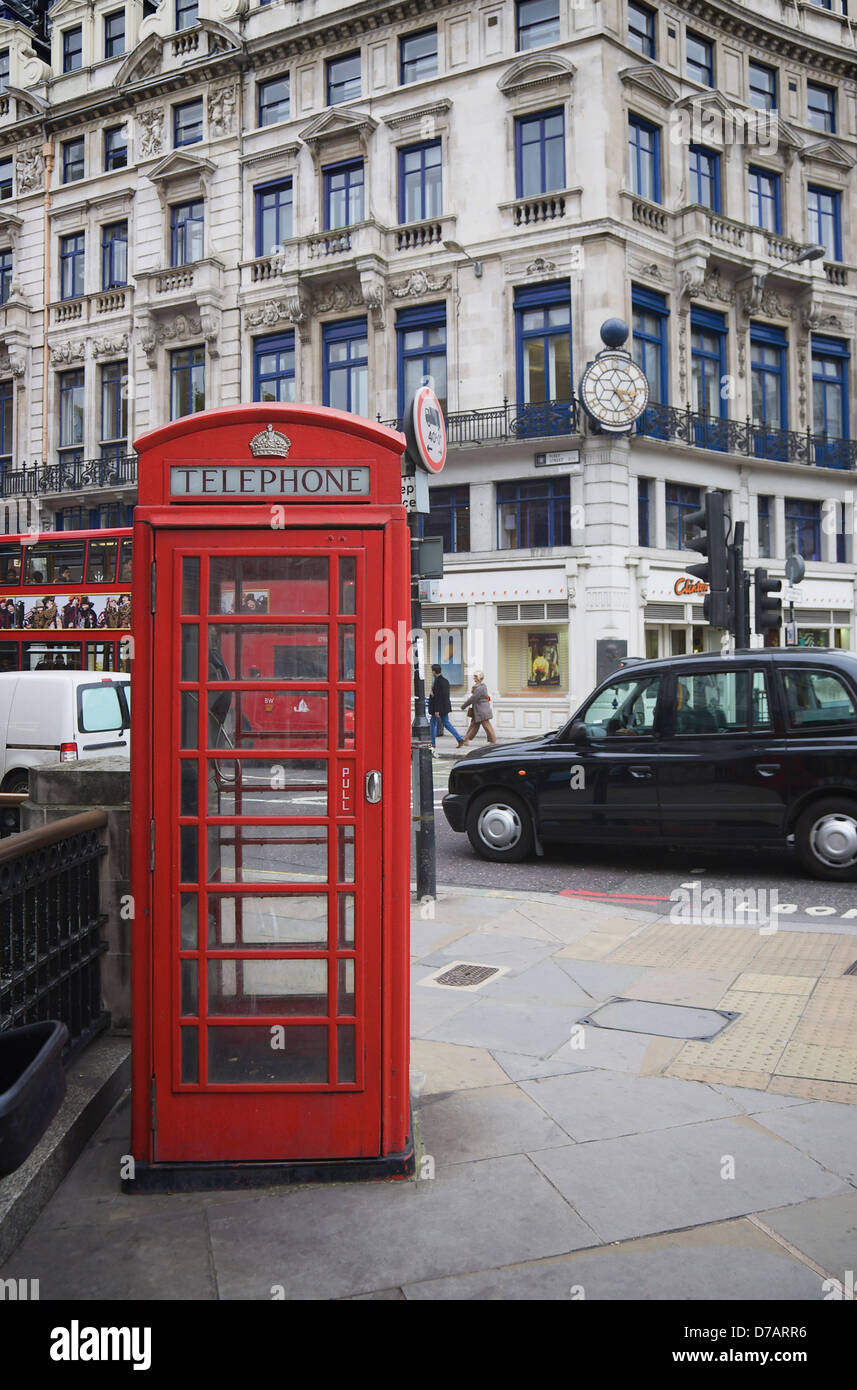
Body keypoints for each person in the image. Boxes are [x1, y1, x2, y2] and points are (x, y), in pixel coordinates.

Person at [427, 664, 464, 756]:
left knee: (433, 723)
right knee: (446, 723)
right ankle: (459, 739)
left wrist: (436, 710)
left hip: (438, 708)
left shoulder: (437, 682)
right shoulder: (445, 681)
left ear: (434, 672)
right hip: (444, 707)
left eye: (432, 671)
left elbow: (438, 697)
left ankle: (433, 743)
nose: (432, 672)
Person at [459, 671, 497, 748]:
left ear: (479, 677)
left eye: (475, 676)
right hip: (477, 710)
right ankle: (466, 739)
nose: (474, 678)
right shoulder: (477, 686)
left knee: (486, 725)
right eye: (474, 676)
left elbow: (473, 698)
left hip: (482, 710)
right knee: (473, 725)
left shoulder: (481, 687)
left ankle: (493, 741)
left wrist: (464, 706)